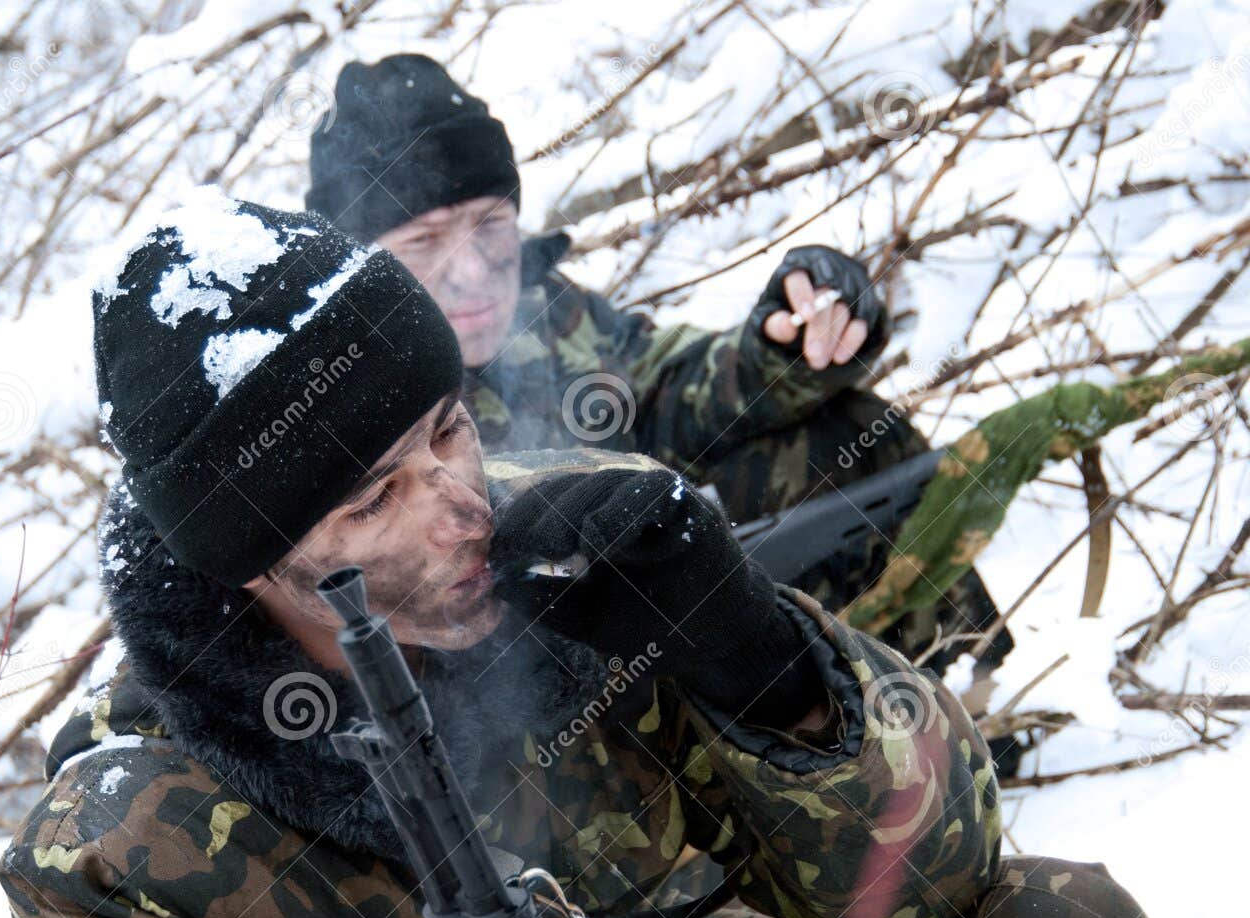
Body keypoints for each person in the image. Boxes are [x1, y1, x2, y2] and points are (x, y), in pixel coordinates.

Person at [0, 191, 1169, 918]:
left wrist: (768, 671)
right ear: (250, 562)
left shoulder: (568, 528)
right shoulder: (114, 854)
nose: (462, 506)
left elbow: (937, 879)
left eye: (449, 430)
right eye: (370, 498)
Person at [305, 53, 1013, 688]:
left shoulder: (546, 310)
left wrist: (784, 344)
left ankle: (938, 695)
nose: (473, 271)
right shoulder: (332, 388)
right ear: (362, 263)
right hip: (491, 684)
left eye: (489, 225)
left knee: (845, 434)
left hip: (631, 598)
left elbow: (669, 387)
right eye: (424, 241)